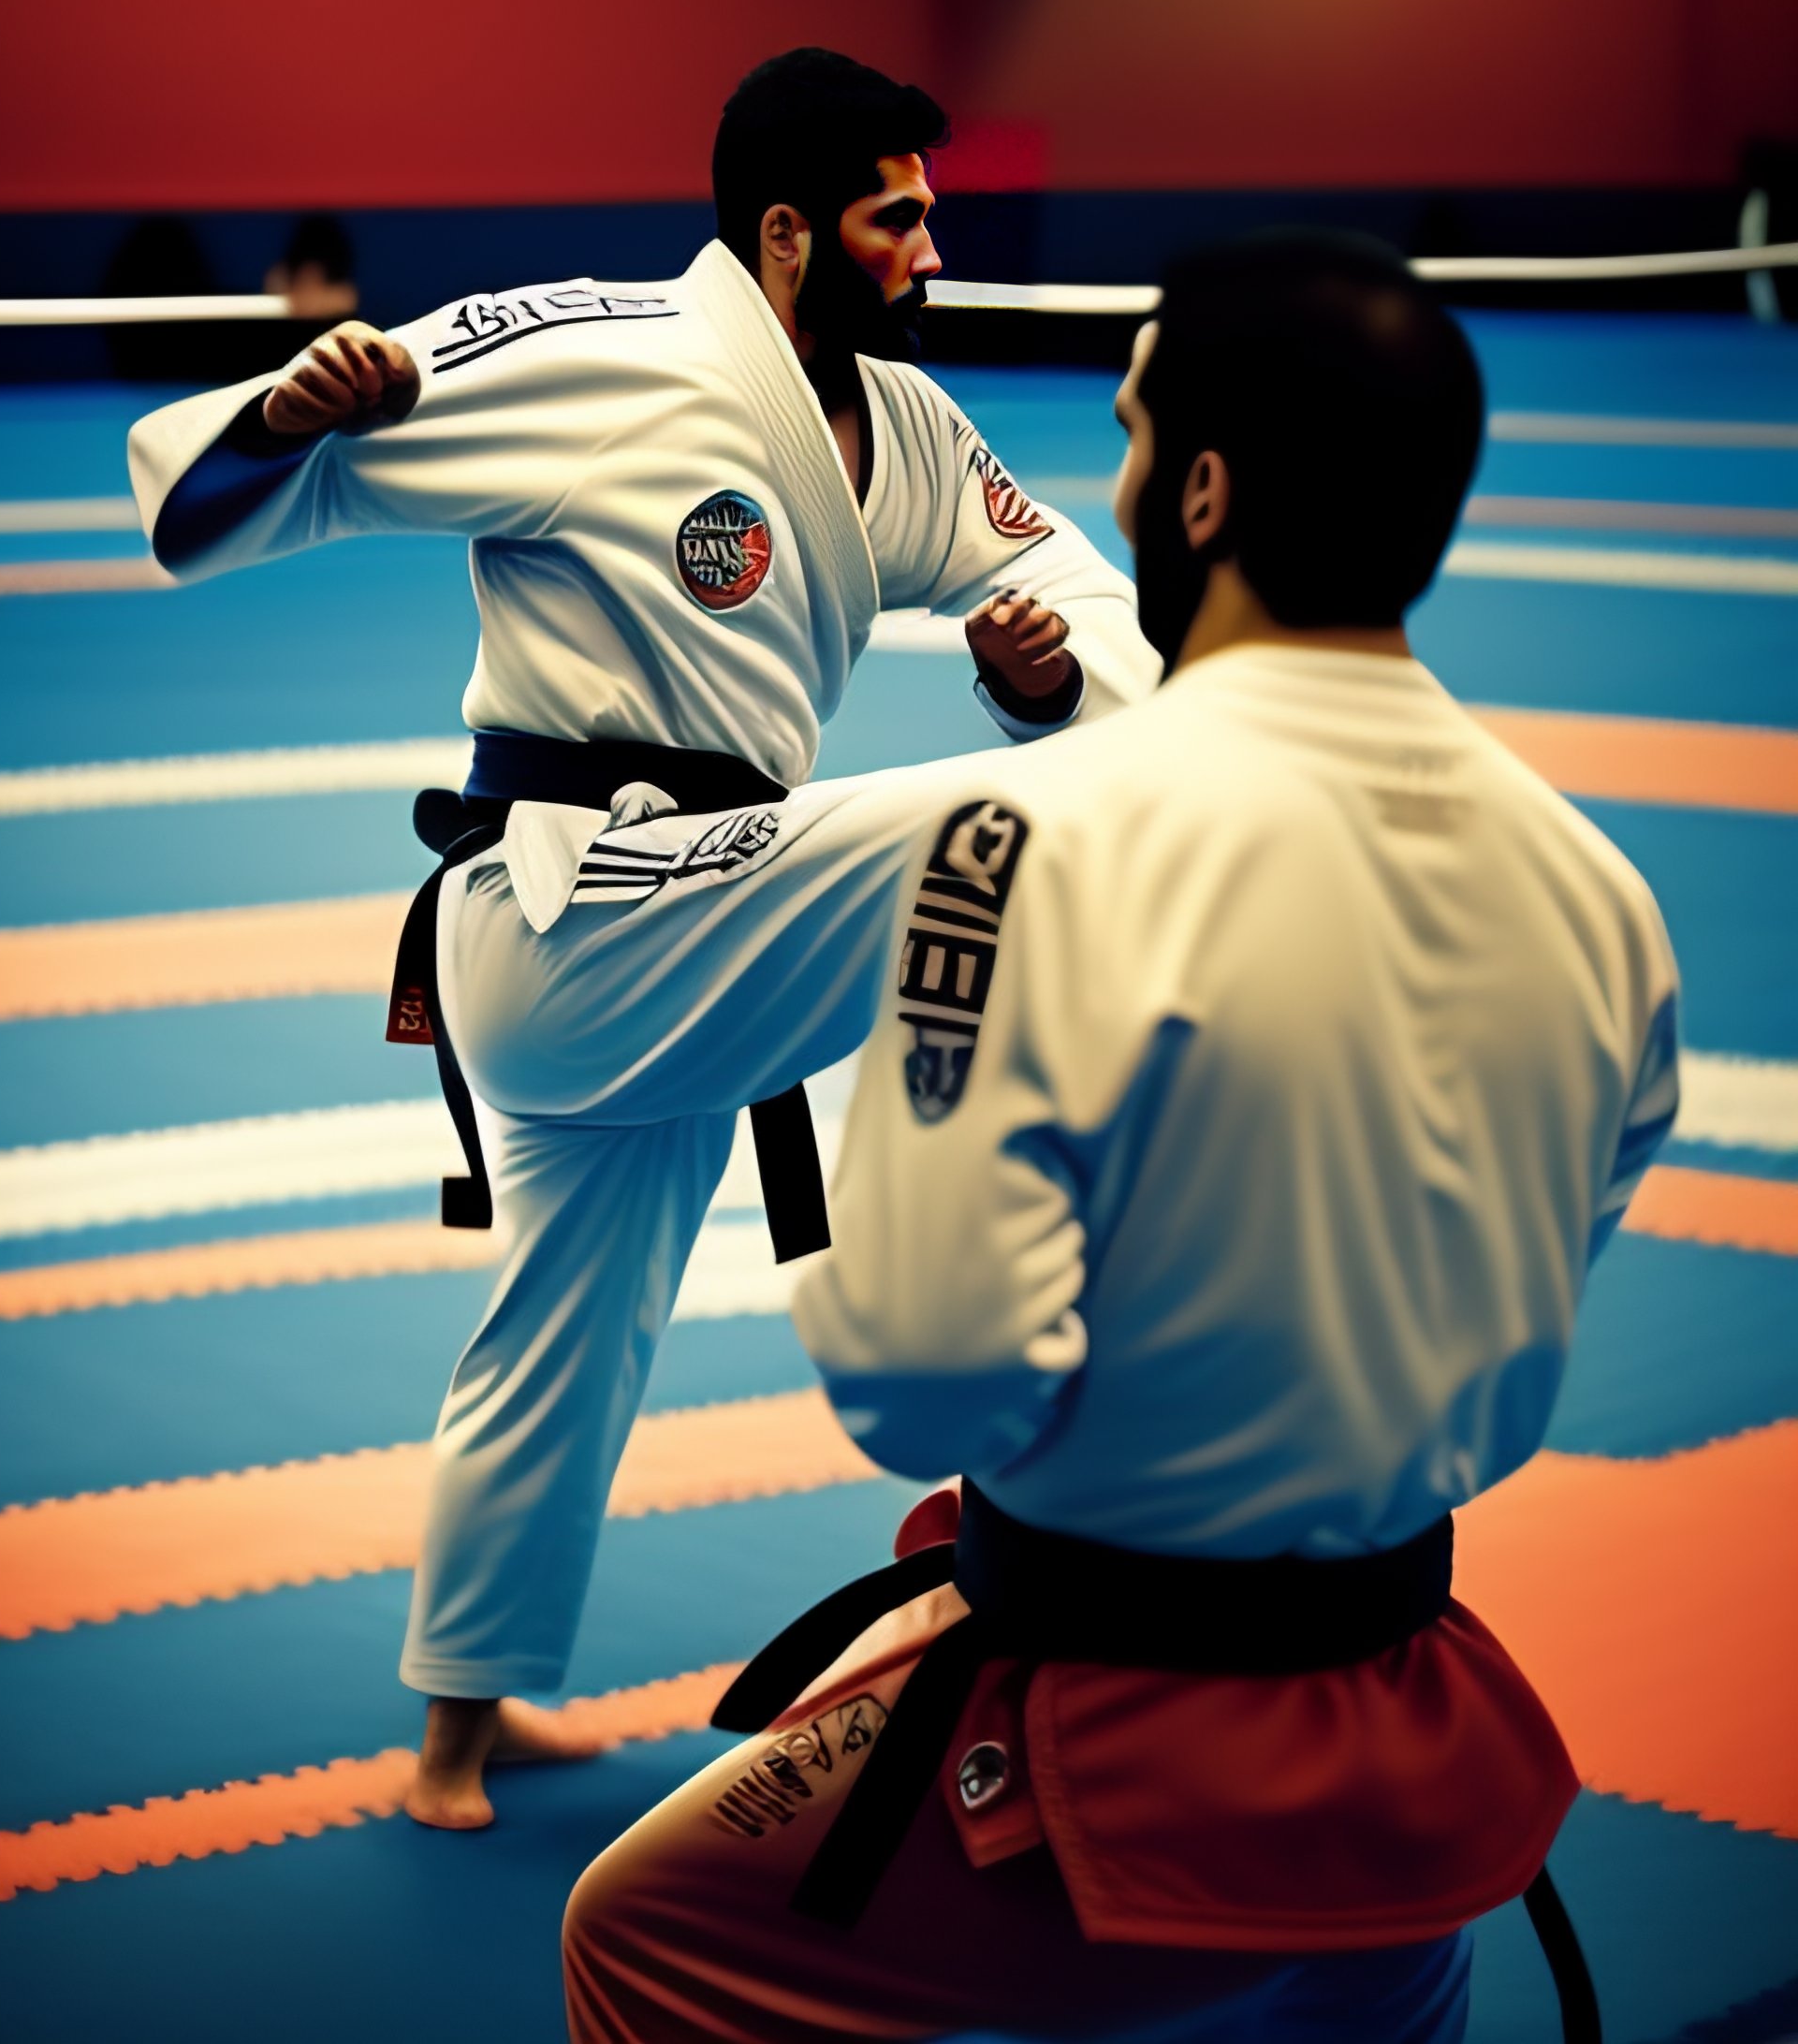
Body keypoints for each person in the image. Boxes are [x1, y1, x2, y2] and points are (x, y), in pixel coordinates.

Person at [563, 231, 1679, 2044]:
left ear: (1208, 492)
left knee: (641, 1933)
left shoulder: (1017, 850)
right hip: (1408, 1716)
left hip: (1123, 1742)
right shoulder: (1600, 898)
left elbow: (919, 1377)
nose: (1123, 482)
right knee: (1386, 1977)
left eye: (1136, 438)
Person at [125, 49, 1158, 1832]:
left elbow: (1064, 575)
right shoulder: (599, 354)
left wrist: (1049, 671)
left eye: (929, 210)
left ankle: (457, 1727)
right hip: (569, 910)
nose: (931, 246)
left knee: (566, 1335)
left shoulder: (899, 429)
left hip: (707, 940)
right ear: (784, 234)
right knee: (980, 838)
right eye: (894, 216)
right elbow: (208, 503)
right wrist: (297, 412)